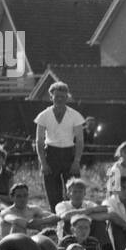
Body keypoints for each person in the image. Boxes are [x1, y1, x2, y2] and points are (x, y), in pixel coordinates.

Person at [34, 81, 85, 211]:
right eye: (57, 96)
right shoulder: (43, 116)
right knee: (53, 193)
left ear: (67, 97)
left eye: (63, 96)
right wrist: (43, 163)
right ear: (51, 97)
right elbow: (39, 141)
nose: (60, 99)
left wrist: (76, 161)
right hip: (51, 154)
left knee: (74, 190)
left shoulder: (75, 116)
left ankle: (74, 220)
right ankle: (57, 221)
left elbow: (79, 140)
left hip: (69, 154)